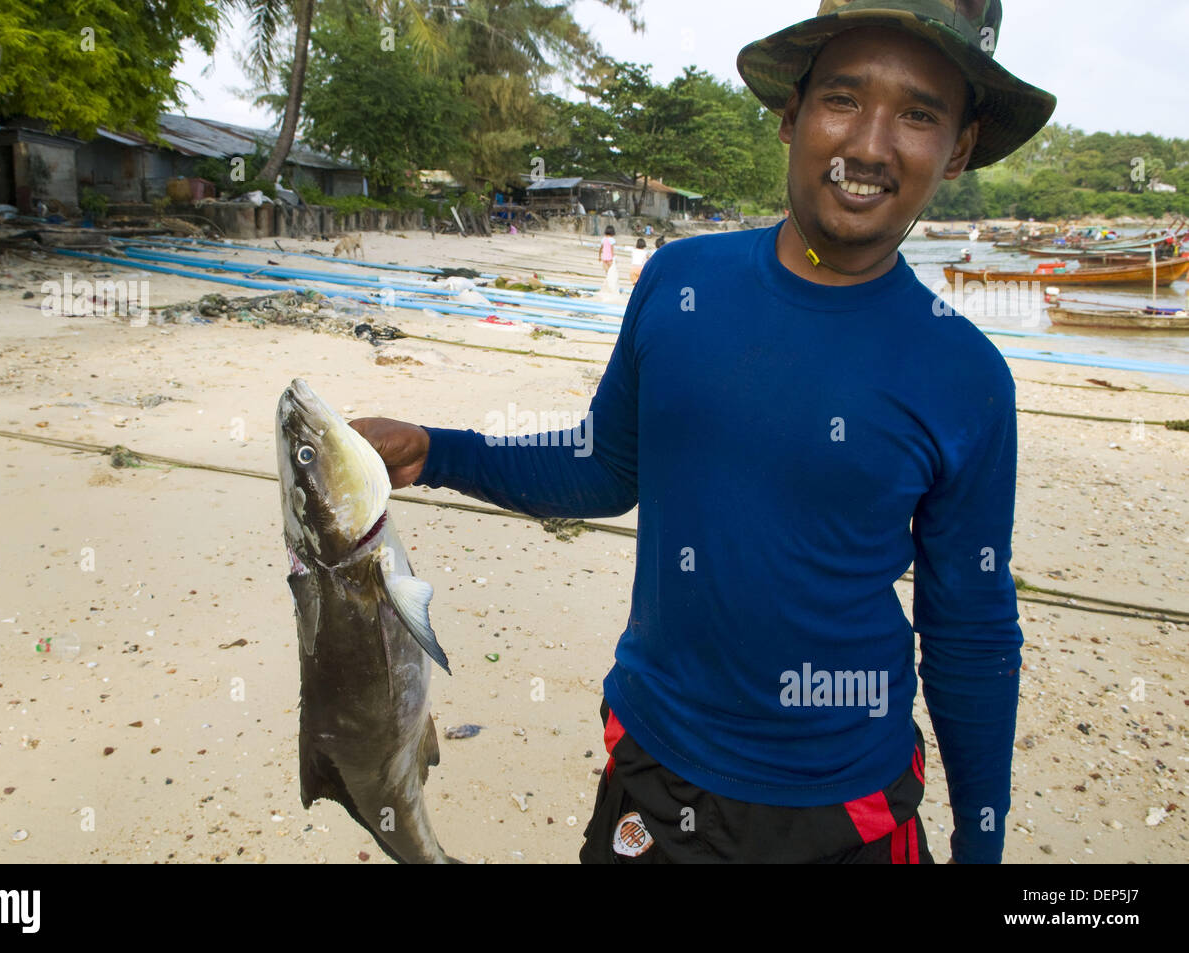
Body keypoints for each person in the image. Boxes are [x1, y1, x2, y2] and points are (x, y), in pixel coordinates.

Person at [350, 0, 1054, 865]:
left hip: (848, 804)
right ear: (791, 115)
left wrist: (981, 845)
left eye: (919, 113)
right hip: (657, 767)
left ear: (962, 147)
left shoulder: (966, 375)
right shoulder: (682, 283)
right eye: (842, 98)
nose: (871, 145)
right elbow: (606, 468)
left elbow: (971, 625)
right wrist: (439, 450)